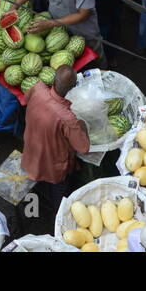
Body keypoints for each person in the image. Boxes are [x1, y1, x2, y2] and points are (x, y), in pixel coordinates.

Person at [21, 64, 89, 203]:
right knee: (59, 190)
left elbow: (26, 100)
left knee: (39, 177)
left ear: (53, 81)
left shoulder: (38, 88)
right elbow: (84, 148)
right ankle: (57, 210)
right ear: (71, 88)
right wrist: (82, 126)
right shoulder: (67, 118)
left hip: (30, 154)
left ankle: (36, 195)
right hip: (53, 168)